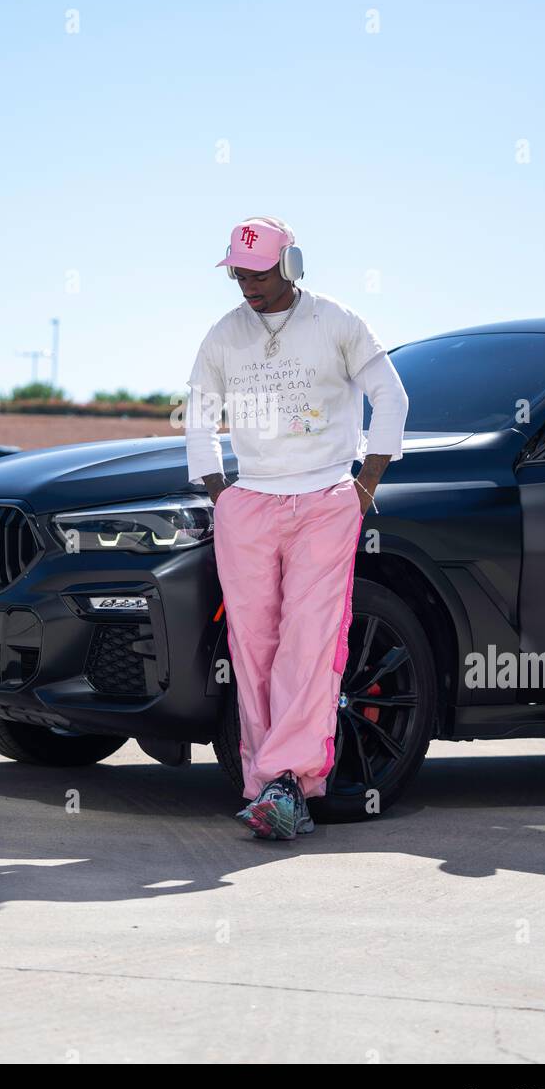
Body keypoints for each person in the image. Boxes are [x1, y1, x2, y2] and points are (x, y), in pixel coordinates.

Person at [184, 216, 409, 840]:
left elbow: (391, 397)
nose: (247, 287)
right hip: (248, 504)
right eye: (238, 274)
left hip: (324, 498)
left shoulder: (336, 321)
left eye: (258, 274)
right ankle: (269, 789)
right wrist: (220, 493)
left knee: (309, 644)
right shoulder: (224, 335)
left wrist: (366, 484)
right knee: (253, 647)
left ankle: (288, 780)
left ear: (291, 265)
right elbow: (198, 417)